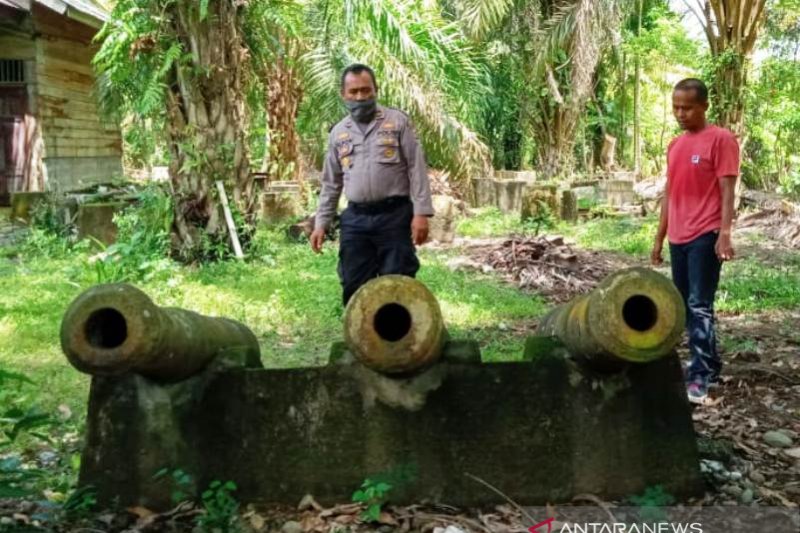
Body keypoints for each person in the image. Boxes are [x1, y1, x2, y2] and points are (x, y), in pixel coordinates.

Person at [310, 64, 434, 305]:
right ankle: (361, 340)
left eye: (365, 91)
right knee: (354, 283)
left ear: (376, 90)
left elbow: (416, 168)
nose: (360, 97)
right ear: (343, 94)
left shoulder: (398, 122)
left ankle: (398, 340)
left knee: (398, 283)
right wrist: (321, 223)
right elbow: (331, 183)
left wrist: (421, 213)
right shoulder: (338, 133)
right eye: (353, 91)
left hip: (394, 216)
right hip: (356, 220)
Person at [651, 78, 739, 405]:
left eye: (687, 107)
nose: (680, 113)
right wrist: (659, 237)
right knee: (686, 305)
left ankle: (699, 376)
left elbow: (728, 190)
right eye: (676, 107)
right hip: (678, 235)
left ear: (704, 106)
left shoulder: (721, 140)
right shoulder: (675, 145)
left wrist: (725, 234)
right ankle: (710, 364)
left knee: (699, 306)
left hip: (706, 233)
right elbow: (669, 193)